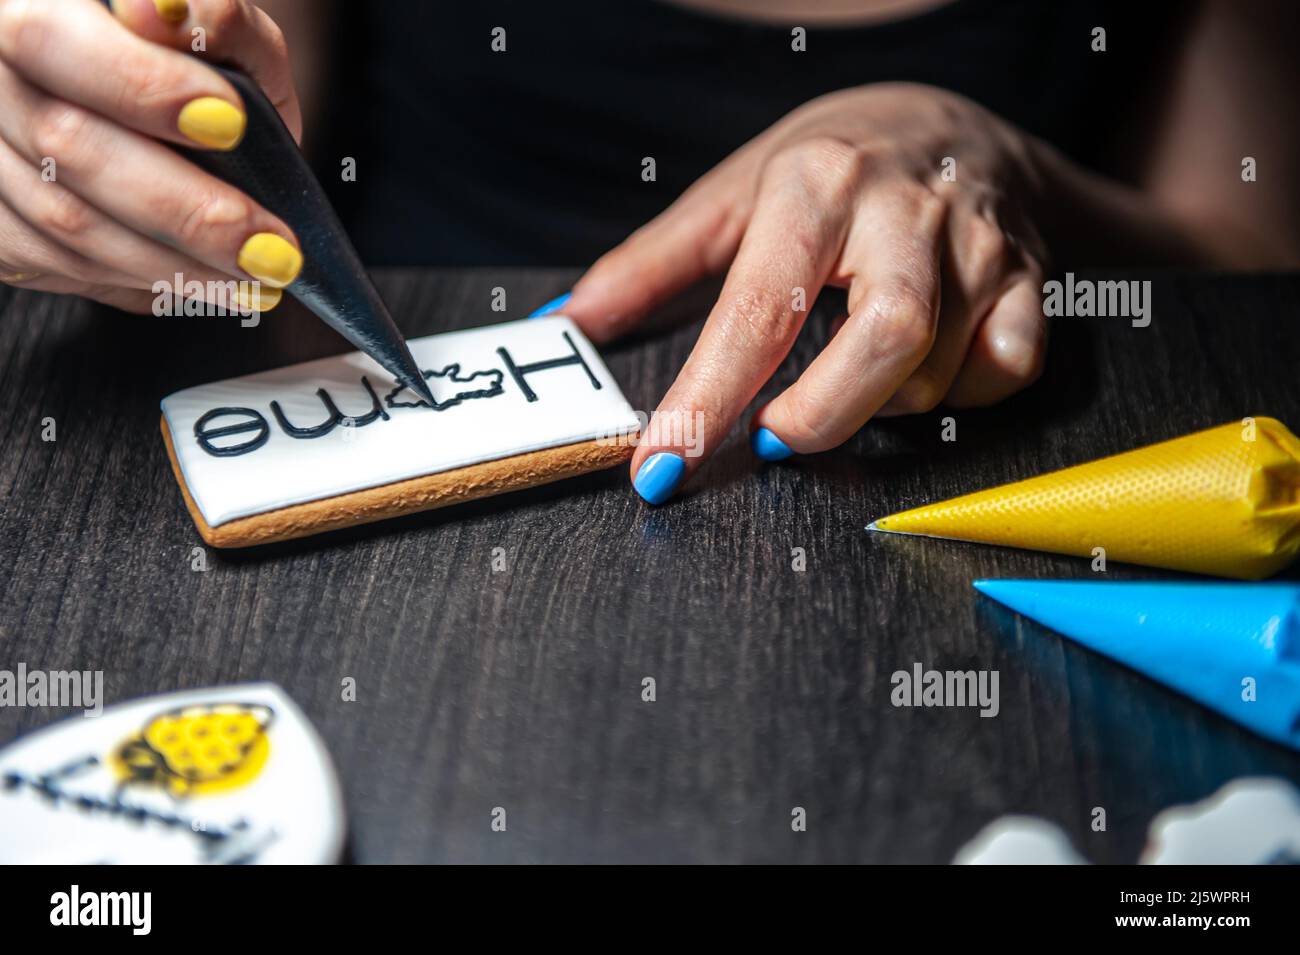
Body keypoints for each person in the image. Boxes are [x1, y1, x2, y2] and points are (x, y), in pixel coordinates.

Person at [1, 0, 1296, 504]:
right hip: (317, 367)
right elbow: (242, 63)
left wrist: (992, 159)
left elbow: (1250, 254)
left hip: (920, 446)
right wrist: (93, 101)